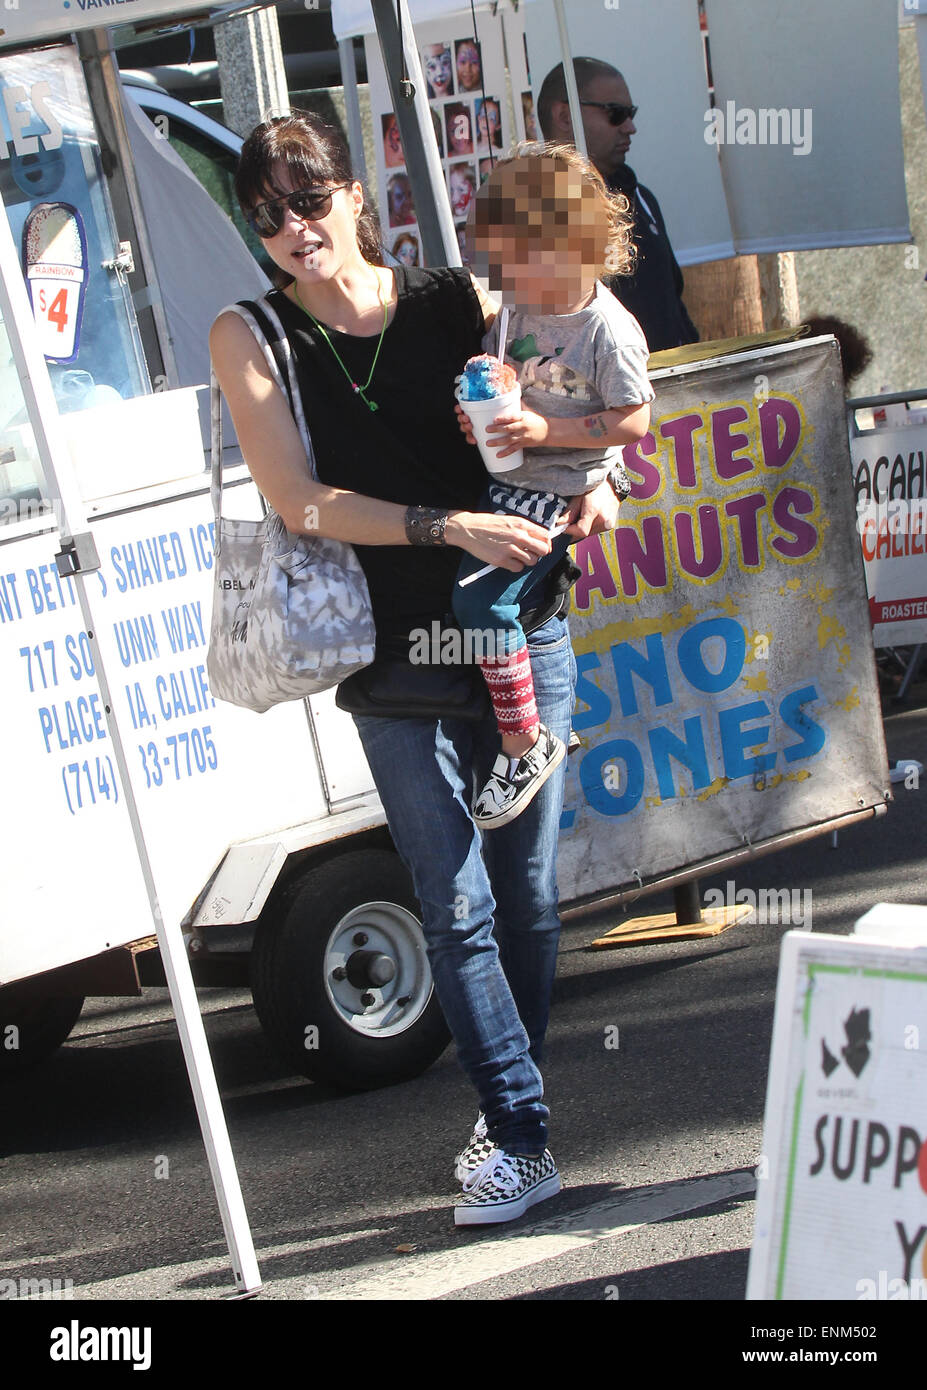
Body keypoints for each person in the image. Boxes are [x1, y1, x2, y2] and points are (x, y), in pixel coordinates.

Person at [209, 113, 625, 1226]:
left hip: (520, 620)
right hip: (391, 649)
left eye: (310, 201)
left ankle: (505, 1113)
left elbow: (570, 397)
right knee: (452, 901)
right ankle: (526, 1135)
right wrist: (449, 527)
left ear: (355, 193)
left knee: (528, 897)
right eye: (267, 217)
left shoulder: (452, 302)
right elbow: (300, 501)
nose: (294, 231)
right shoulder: (250, 335)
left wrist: (603, 477)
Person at [454, 145, 652, 828]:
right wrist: (477, 402)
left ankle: (522, 742)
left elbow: (633, 419)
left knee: (477, 603)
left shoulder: (605, 328)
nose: (503, 271)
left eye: (518, 253)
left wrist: (544, 433)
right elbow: (498, 376)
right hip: (504, 477)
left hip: (552, 486)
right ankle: (533, 725)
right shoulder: (515, 309)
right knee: (480, 606)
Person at [538, 57, 699, 353]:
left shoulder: (641, 197)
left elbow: (672, 304)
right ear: (564, 116)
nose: (630, 126)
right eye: (616, 113)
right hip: (602, 395)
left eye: (631, 113)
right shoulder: (534, 211)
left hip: (672, 387)